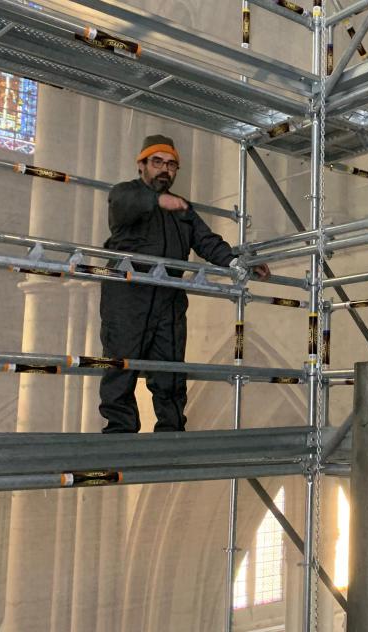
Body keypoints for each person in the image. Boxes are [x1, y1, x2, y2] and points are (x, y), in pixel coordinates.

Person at [98, 134, 269, 433]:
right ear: (141, 165)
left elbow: (207, 242)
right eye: (157, 162)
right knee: (120, 364)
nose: (165, 169)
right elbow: (124, 201)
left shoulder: (182, 209)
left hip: (169, 300)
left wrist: (238, 263)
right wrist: (155, 200)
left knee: (171, 369)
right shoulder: (126, 194)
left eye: (171, 165)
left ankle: (172, 430)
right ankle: (120, 432)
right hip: (127, 298)